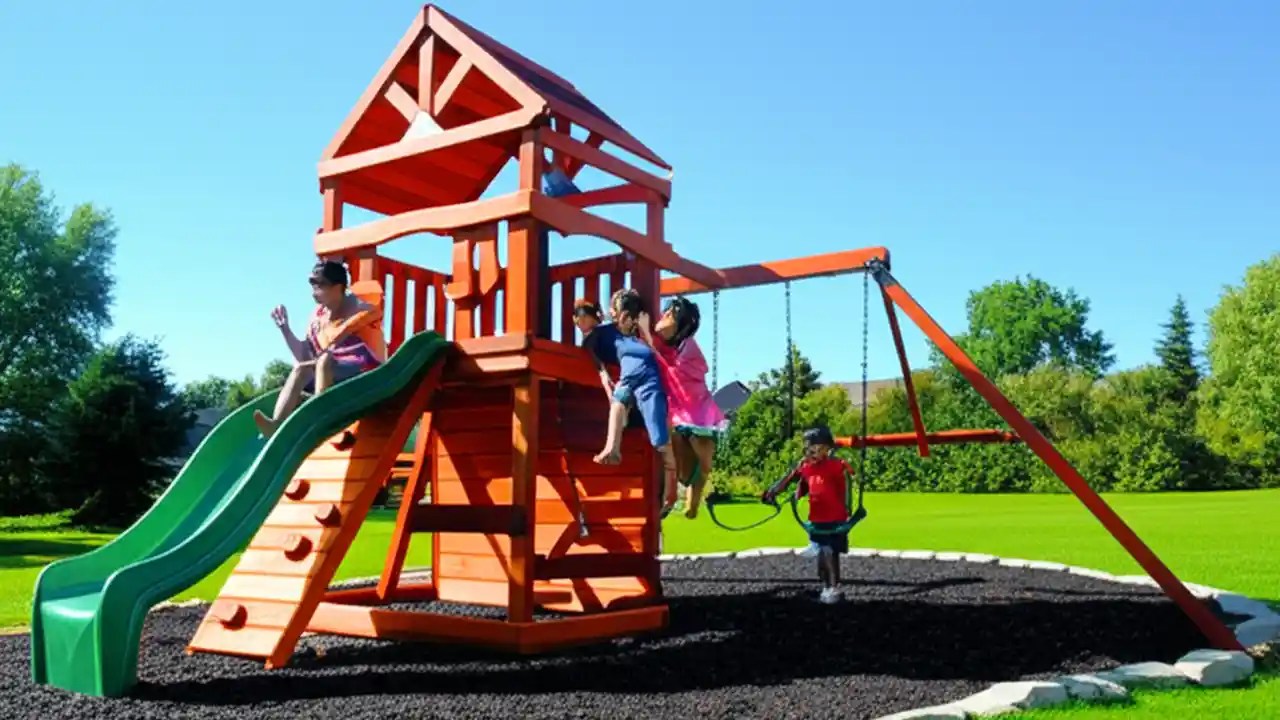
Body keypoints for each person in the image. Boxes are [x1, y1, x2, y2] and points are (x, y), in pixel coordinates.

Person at [254, 260, 386, 438]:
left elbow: (374, 315)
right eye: (312, 283)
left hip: (362, 371)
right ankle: (276, 424)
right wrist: (285, 328)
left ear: (338, 287)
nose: (314, 289)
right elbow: (303, 356)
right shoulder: (318, 318)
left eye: (320, 284)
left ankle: (318, 416)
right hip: (330, 371)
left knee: (324, 361)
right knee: (301, 368)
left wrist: (344, 329)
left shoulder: (359, 308)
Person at [591, 290, 680, 517]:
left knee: (659, 439)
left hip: (650, 384)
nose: (620, 320)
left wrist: (644, 330)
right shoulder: (610, 335)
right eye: (617, 315)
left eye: (625, 316)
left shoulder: (645, 335)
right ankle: (613, 448)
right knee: (618, 401)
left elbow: (664, 356)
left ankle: (671, 488)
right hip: (628, 380)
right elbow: (589, 344)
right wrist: (601, 371)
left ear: (633, 317)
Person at [645, 296, 726, 518]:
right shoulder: (662, 339)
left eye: (671, 314)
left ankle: (691, 503)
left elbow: (670, 365)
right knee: (675, 453)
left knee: (703, 459)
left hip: (694, 408)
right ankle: (672, 498)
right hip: (680, 408)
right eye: (666, 312)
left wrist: (647, 333)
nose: (664, 317)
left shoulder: (686, 347)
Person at [762, 425, 854, 604]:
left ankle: (833, 588)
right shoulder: (806, 467)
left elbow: (848, 485)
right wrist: (772, 492)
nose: (813, 453)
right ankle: (826, 585)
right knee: (822, 558)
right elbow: (789, 480)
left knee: (829, 551)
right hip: (817, 518)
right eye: (810, 449)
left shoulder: (836, 466)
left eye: (818, 449)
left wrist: (849, 510)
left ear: (828, 449)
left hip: (835, 518)